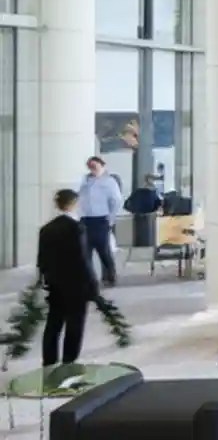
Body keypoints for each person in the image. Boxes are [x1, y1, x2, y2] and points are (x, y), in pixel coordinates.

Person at [38, 189, 97, 366]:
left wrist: (45, 278)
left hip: (55, 283)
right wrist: (92, 283)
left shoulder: (46, 229)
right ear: (74, 204)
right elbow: (82, 259)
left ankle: (49, 361)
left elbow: (42, 260)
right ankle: (69, 361)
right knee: (75, 324)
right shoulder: (76, 228)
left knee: (53, 323)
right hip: (76, 284)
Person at [77, 156, 122, 287]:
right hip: (86, 219)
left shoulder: (109, 181)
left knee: (103, 250)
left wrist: (111, 218)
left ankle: (110, 275)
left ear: (102, 166)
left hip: (101, 219)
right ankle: (89, 278)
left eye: (95, 166)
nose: (92, 169)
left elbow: (116, 201)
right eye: (90, 166)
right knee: (85, 250)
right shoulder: (85, 181)